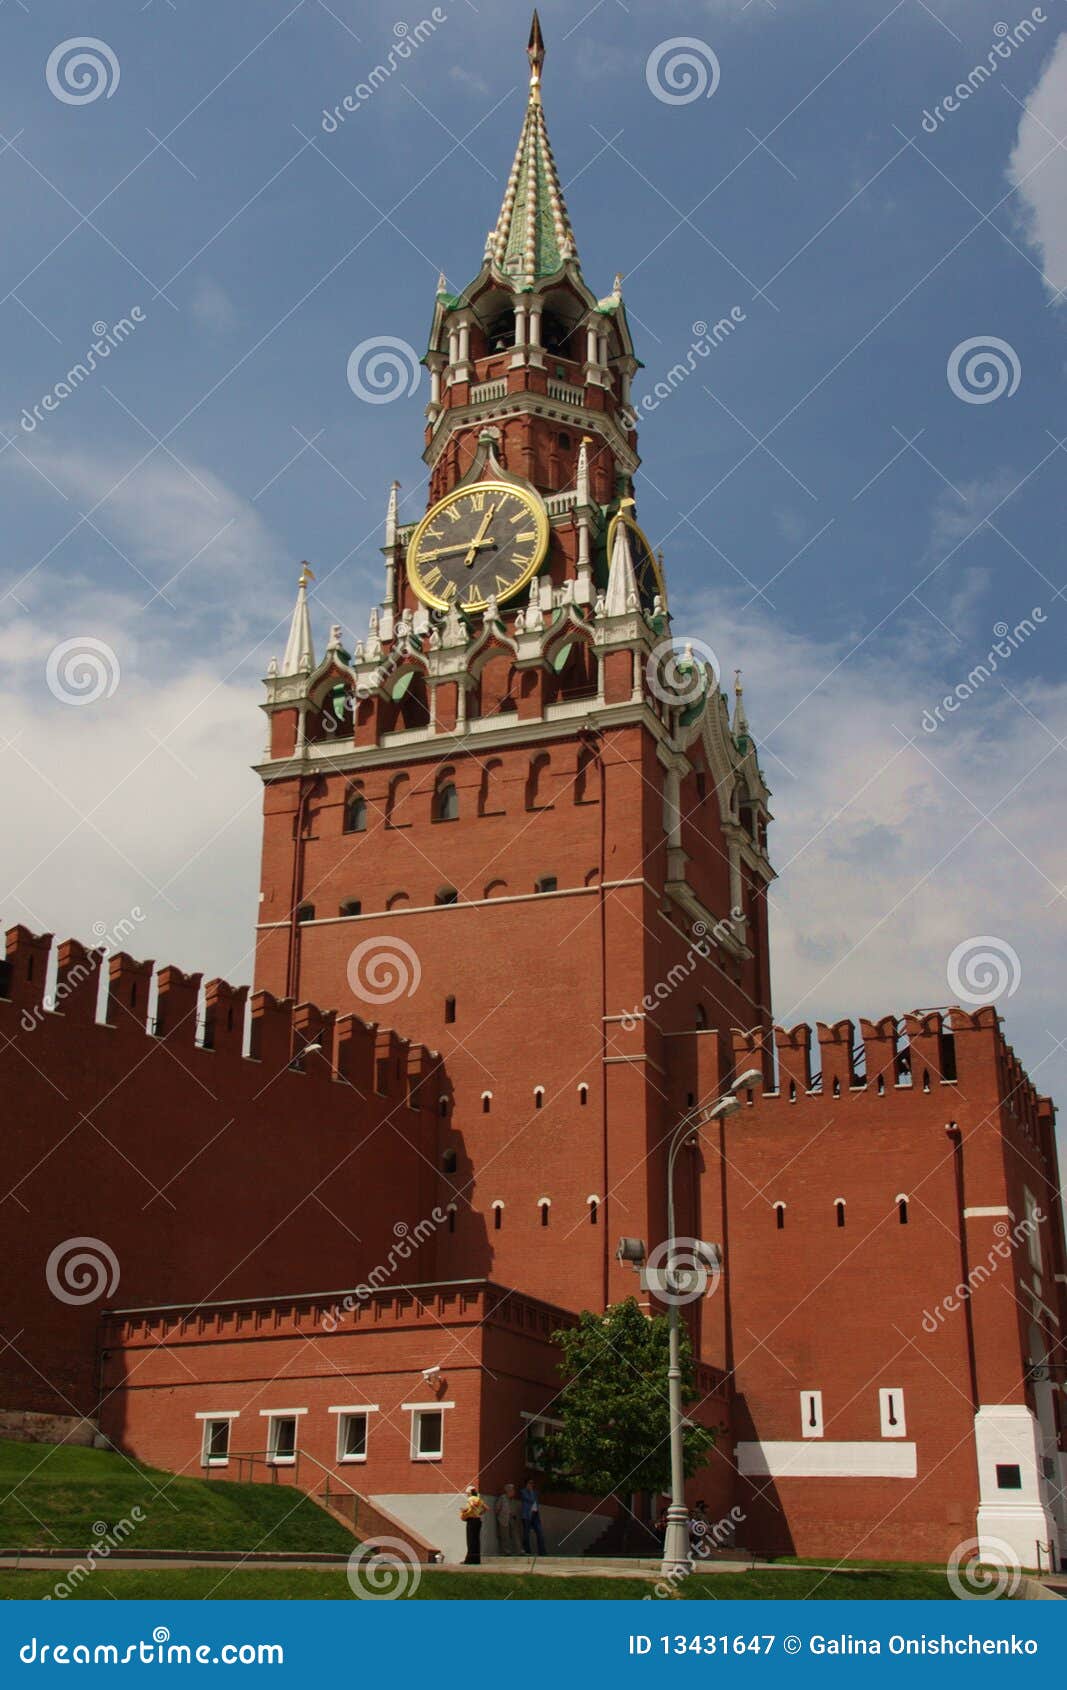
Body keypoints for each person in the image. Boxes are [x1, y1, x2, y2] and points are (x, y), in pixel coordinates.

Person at [460, 1484, 488, 1565]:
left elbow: (472, 1505)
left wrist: (465, 1511)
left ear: (470, 1493)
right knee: (476, 1540)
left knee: (471, 1540)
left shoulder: (471, 1498)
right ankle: (476, 1560)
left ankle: (469, 1560)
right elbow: (486, 1508)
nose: (466, 1494)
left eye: (467, 1493)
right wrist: (479, 1513)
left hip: (471, 1521)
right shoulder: (478, 1499)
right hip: (478, 1520)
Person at [519, 1475, 546, 1555]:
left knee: (540, 1532)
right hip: (527, 1515)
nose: (531, 1485)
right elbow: (530, 1500)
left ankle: (542, 1551)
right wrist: (530, 1492)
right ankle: (527, 1550)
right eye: (530, 1483)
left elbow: (536, 1502)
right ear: (526, 1484)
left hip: (535, 1514)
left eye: (532, 1483)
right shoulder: (523, 1492)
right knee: (526, 1534)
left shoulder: (535, 1493)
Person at [494, 1482, 520, 1555]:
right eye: (513, 1490)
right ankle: (506, 1551)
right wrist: (500, 1516)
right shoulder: (502, 1498)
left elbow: (513, 1509)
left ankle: (519, 1550)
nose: (514, 1492)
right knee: (505, 1536)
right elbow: (497, 1509)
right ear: (509, 1491)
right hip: (503, 1519)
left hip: (511, 1519)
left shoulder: (512, 1500)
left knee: (515, 1535)